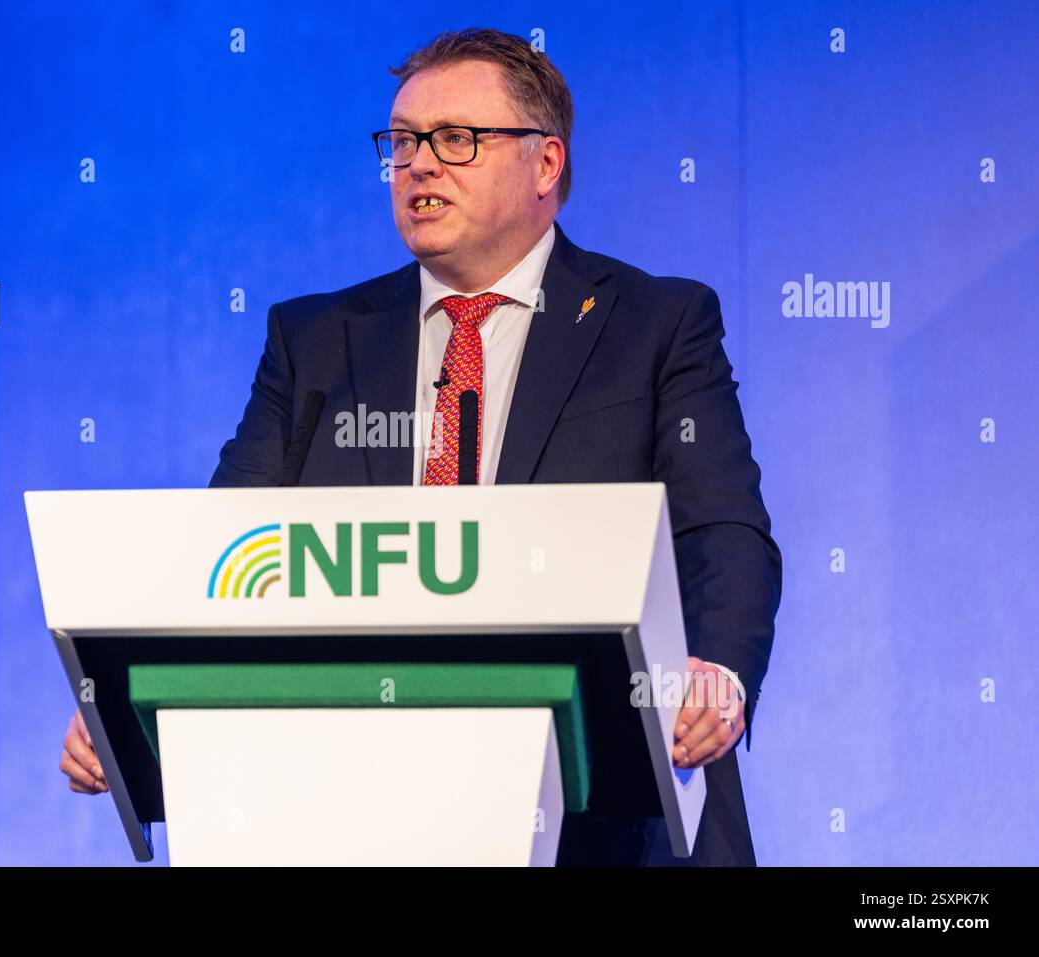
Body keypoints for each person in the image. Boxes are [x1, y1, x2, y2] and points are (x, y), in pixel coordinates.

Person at [61, 27, 781, 866]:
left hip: (606, 822)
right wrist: (129, 703)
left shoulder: (656, 324)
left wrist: (717, 671)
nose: (419, 165)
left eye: (456, 138)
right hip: (359, 810)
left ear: (546, 164)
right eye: (402, 143)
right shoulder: (317, 342)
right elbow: (226, 550)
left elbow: (721, 529)